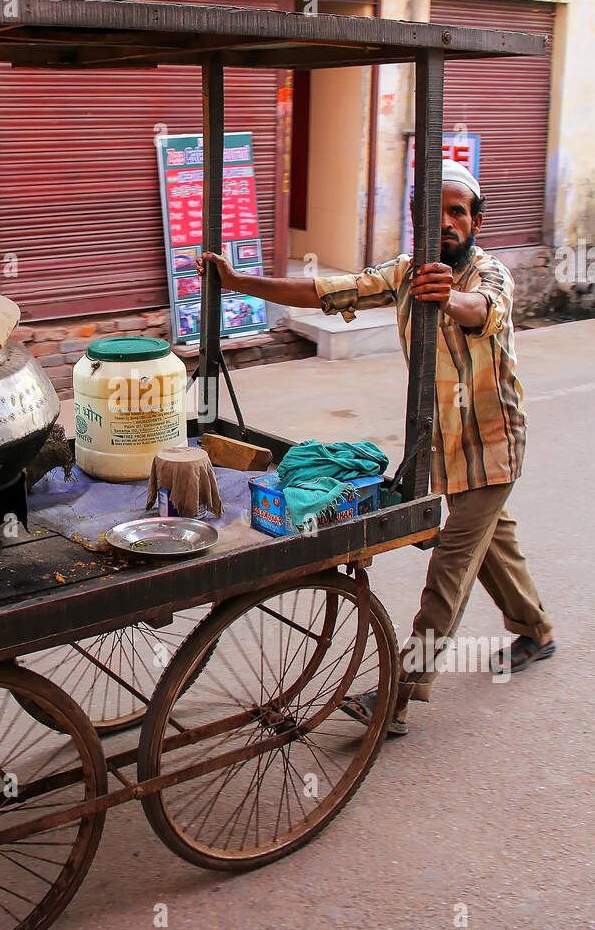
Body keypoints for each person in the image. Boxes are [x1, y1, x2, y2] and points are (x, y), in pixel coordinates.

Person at [197, 160, 555, 736]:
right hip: (442, 446)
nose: (446, 224)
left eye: (458, 213)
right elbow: (326, 290)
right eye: (432, 214)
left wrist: (451, 300)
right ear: (414, 223)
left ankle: (400, 692)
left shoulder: (490, 276)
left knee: (450, 567)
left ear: (477, 222)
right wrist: (243, 283)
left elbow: (485, 309)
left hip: (492, 446)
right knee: (491, 540)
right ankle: (535, 628)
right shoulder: (407, 272)